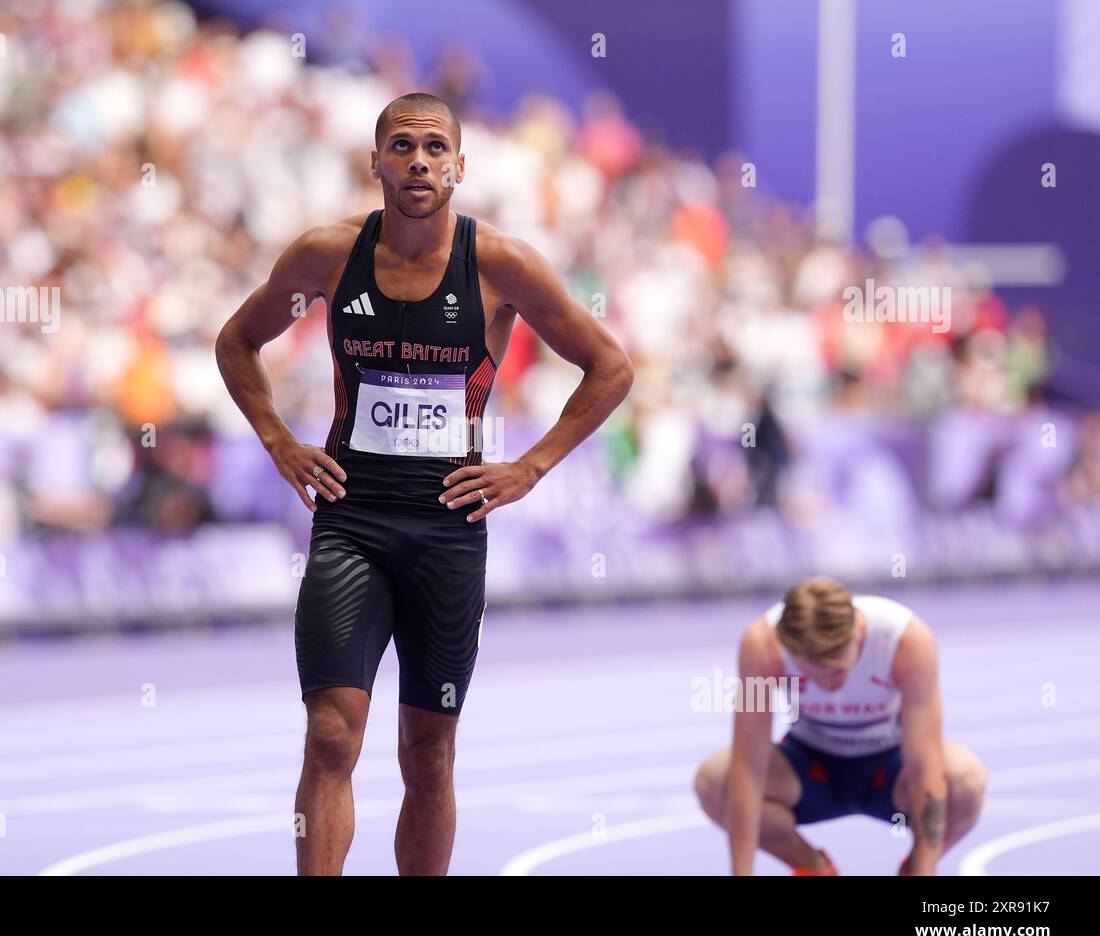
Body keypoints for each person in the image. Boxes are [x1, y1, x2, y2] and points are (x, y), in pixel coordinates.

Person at [215, 92, 634, 874]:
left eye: (436, 148)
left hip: (448, 529)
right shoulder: (327, 256)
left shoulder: (501, 265)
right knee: (331, 732)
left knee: (429, 752)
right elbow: (237, 341)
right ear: (375, 162)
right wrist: (278, 438)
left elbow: (610, 367)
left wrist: (530, 465)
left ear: (460, 167)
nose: (419, 161)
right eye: (402, 146)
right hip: (352, 517)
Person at [693, 576, 988, 875]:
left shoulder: (906, 640)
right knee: (714, 782)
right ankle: (812, 866)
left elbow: (925, 767)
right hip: (809, 768)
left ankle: (913, 869)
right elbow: (748, 766)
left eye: (835, 672)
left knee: (966, 780)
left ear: (858, 633)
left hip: (891, 768)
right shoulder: (762, 644)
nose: (826, 685)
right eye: (812, 674)